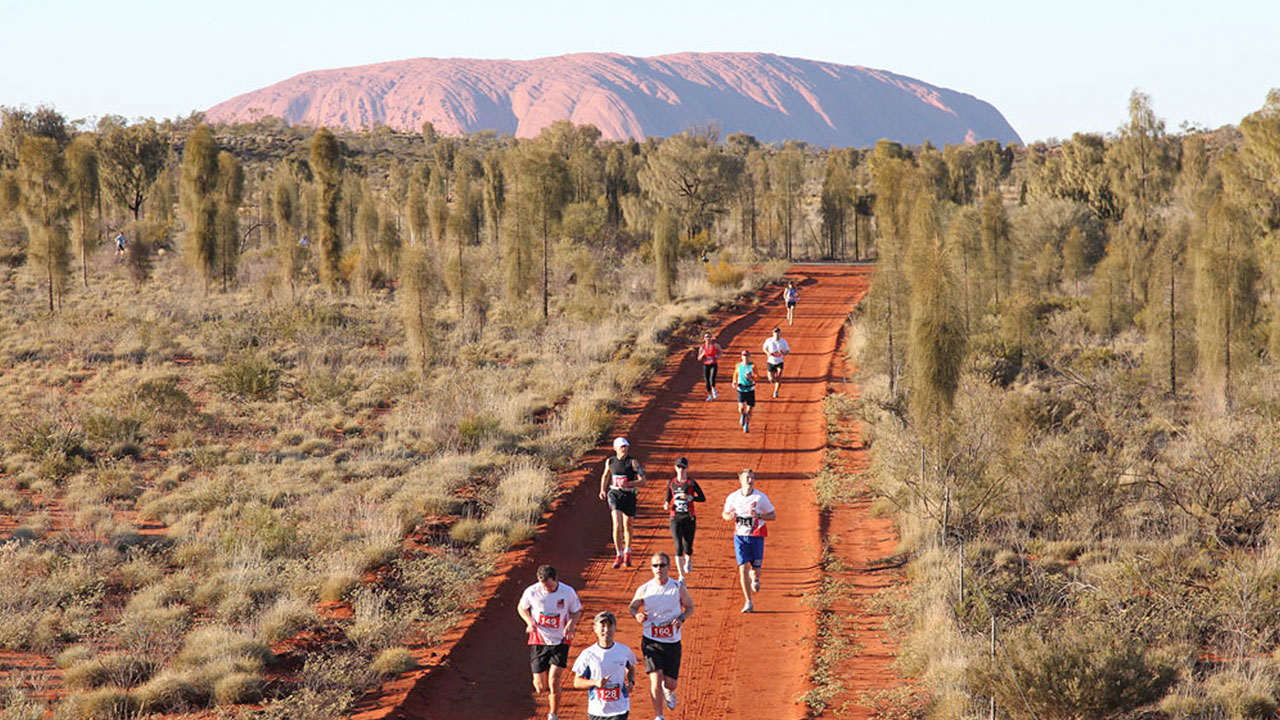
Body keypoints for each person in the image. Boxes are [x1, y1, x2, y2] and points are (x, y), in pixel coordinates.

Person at [628, 552, 695, 720]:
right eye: (655, 566)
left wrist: (681, 618)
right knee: (655, 680)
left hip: (672, 641)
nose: (658, 569)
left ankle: (669, 691)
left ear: (669, 567)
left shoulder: (677, 587)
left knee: (670, 683)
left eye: (662, 565)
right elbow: (633, 607)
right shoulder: (645, 589)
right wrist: (637, 615)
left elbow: (690, 607)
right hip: (651, 640)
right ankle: (659, 715)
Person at [518, 565, 584, 720]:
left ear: (556, 579)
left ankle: (553, 714)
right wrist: (529, 622)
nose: (546, 588)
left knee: (554, 680)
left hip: (561, 639)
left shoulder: (567, 592)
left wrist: (571, 624)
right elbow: (522, 608)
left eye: (549, 585)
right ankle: (546, 679)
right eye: (543, 586)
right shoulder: (532, 592)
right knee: (540, 687)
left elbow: (576, 611)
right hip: (539, 640)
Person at [721, 468, 776, 613]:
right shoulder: (733, 497)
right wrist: (730, 516)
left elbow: (772, 515)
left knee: (756, 569)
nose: (750, 481)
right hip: (740, 537)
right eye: (747, 478)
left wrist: (759, 515)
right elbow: (725, 514)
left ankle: (756, 578)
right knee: (742, 568)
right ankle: (748, 601)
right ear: (741, 480)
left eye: (752, 478)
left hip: (756, 536)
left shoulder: (760, 498)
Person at [572, 611, 637, 720]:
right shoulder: (588, 654)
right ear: (595, 628)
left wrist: (631, 681)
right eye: (602, 626)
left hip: (620, 708)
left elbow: (631, 668)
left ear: (615, 628)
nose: (606, 630)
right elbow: (577, 682)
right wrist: (595, 682)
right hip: (596, 710)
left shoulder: (624, 651)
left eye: (610, 626)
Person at [599, 436, 647, 568]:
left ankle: (627, 551)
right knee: (617, 524)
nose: (624, 449)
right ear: (615, 449)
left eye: (626, 447)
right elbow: (605, 475)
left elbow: (643, 481)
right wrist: (602, 490)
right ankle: (618, 554)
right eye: (622, 447)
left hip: (629, 495)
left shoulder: (633, 463)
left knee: (628, 525)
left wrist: (628, 484)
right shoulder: (610, 462)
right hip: (614, 494)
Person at [663, 457, 705, 582]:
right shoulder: (671, 482)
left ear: (687, 468)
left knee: (688, 545)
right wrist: (666, 504)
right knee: (678, 546)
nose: (681, 470)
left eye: (683, 467)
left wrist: (690, 497)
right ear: (675, 468)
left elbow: (702, 498)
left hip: (689, 517)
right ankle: (681, 576)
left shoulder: (691, 483)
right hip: (675, 517)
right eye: (678, 467)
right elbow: (668, 497)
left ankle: (689, 559)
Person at [762, 326, 791, 399]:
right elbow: (764, 348)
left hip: (779, 361)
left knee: (779, 376)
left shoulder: (783, 341)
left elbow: (787, 350)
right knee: (771, 379)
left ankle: (776, 391)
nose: (777, 335)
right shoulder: (769, 341)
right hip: (771, 361)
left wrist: (784, 352)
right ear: (773, 334)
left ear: (780, 334)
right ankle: (775, 381)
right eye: (775, 334)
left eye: (778, 334)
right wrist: (768, 353)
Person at [696, 331, 724, 401]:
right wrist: (702, 354)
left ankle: (713, 389)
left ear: (711, 338)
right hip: (706, 365)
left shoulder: (715, 345)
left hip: (713, 364)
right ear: (704, 338)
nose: (708, 338)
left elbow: (721, 352)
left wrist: (718, 356)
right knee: (707, 381)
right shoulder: (702, 347)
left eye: (709, 337)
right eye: (706, 337)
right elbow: (699, 358)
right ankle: (709, 395)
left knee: (712, 378)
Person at [734, 350, 756, 433]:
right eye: (744, 355)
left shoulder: (752, 366)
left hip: (750, 389)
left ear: (749, 357)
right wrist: (734, 381)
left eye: (747, 355)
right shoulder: (738, 365)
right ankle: (743, 415)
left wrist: (750, 378)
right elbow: (735, 374)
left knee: (750, 409)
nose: (745, 357)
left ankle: (746, 424)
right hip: (741, 388)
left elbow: (757, 377)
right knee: (741, 407)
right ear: (741, 356)